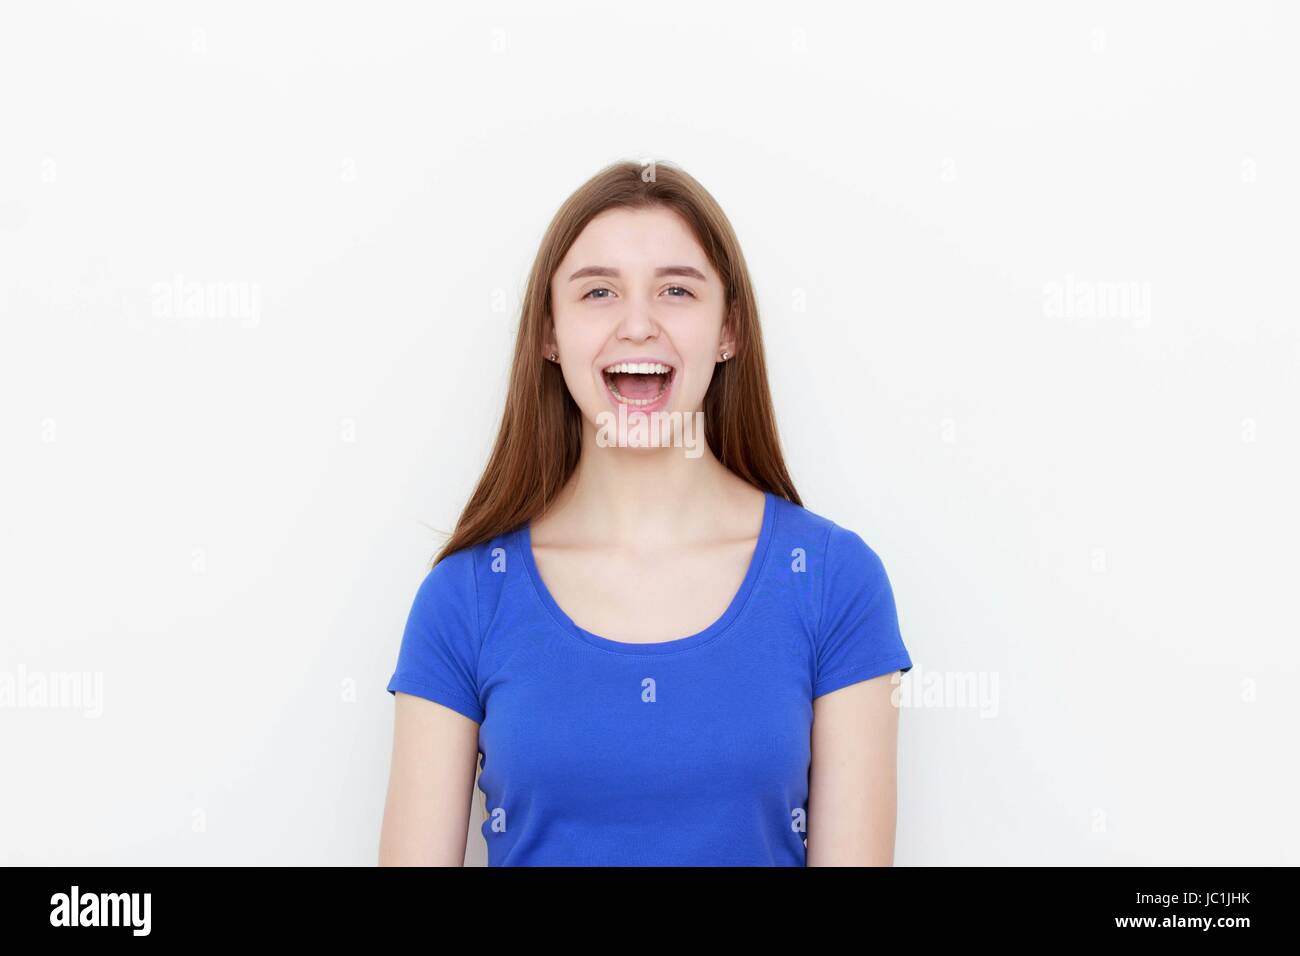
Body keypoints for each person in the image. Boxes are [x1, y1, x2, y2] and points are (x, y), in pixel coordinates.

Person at [377, 159, 913, 866]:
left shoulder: (834, 582)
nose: (637, 325)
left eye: (676, 291)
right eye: (598, 291)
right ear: (549, 333)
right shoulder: (466, 597)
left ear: (729, 332)